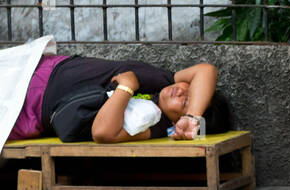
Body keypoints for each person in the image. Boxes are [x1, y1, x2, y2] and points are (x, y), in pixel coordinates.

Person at [7, 54, 228, 143]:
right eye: (188, 88)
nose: (180, 91)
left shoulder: (153, 121)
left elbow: (103, 132)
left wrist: (126, 88)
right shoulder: (163, 82)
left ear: (176, 123)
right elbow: (207, 70)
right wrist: (193, 115)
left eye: (186, 102)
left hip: (28, 103)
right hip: (39, 67)